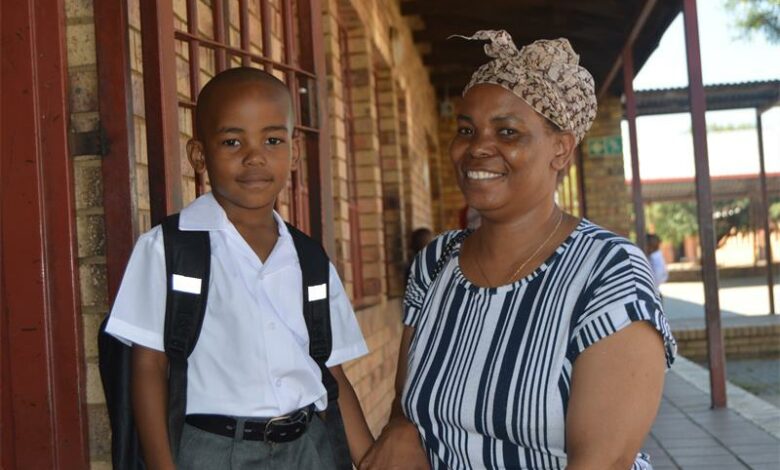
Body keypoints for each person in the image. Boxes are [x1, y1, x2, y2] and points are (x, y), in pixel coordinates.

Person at [361, 31, 676, 470]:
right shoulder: (436, 265)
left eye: (507, 131)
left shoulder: (607, 271)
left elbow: (601, 463)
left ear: (560, 149)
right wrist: (400, 427)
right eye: (466, 129)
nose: (478, 148)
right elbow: (408, 404)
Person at [104, 67, 373, 469]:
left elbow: (330, 370)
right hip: (212, 451)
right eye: (232, 141)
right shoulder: (169, 250)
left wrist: (371, 459)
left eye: (273, 140)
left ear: (294, 152)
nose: (255, 156)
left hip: (309, 448)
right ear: (199, 155)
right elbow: (148, 366)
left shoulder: (310, 260)